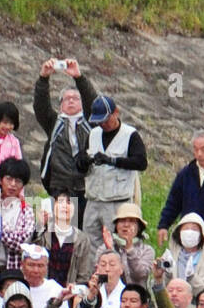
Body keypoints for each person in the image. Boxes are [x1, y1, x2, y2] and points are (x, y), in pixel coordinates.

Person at [76, 96, 147, 242]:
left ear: (116, 113)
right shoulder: (93, 134)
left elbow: (141, 162)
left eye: (106, 119)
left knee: (117, 242)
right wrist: (84, 161)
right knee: (89, 242)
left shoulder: (130, 135)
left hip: (118, 201)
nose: (103, 124)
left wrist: (113, 161)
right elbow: (80, 164)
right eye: (99, 121)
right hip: (93, 200)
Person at [32, 58, 98, 204]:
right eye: (66, 98)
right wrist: (43, 78)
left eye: (75, 98)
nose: (71, 101)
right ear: (61, 105)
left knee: (86, 226)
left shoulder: (90, 122)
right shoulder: (54, 123)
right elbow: (41, 107)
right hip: (60, 187)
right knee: (65, 225)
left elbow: (93, 102)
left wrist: (78, 77)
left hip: (87, 187)